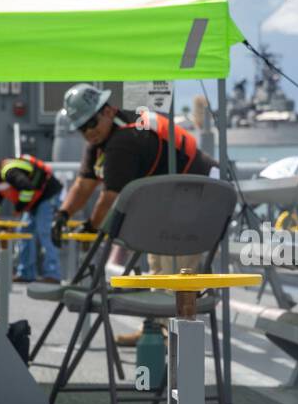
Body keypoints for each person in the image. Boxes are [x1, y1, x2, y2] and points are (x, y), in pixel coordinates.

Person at [50, 84, 222, 345]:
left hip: (197, 198)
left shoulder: (123, 141)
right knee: (157, 269)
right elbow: (83, 184)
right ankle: (155, 332)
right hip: (168, 202)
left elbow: (108, 198)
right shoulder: (102, 138)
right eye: (81, 128)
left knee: (180, 272)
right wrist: (62, 214)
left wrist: (91, 227)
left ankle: (180, 344)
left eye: (91, 122)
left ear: (107, 111)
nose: (88, 132)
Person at [0, 153, 63, 284]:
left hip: (47, 196)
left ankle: (53, 274)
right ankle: (26, 273)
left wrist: (19, 209)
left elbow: (27, 188)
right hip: (35, 201)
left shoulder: (9, 172)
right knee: (23, 233)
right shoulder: (0, 179)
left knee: (45, 232)